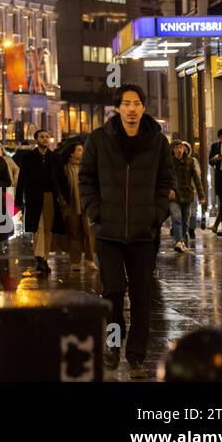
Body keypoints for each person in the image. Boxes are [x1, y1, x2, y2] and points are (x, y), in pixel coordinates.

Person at [79, 84, 173, 374]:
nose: (132, 109)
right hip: (108, 232)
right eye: (126, 103)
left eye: (137, 103)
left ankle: (136, 353)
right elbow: (86, 178)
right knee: (113, 292)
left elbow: (165, 182)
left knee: (142, 295)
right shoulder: (99, 139)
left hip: (144, 233)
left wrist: (157, 215)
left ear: (144, 107)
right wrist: (95, 211)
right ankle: (113, 343)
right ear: (118, 108)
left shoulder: (158, 142)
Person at [15, 129, 67, 276]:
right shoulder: (29, 157)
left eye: (47, 136)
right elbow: (22, 179)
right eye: (42, 137)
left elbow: (62, 179)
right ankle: (39, 258)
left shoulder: (55, 157)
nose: (45, 139)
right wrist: (19, 199)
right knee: (38, 227)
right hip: (33, 197)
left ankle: (44, 257)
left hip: (51, 196)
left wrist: (65, 196)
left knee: (49, 228)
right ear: (36, 139)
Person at [56, 140, 95, 265]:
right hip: (71, 206)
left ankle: (90, 259)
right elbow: (60, 186)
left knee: (89, 233)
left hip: (86, 205)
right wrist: (62, 199)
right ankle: (75, 261)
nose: (82, 152)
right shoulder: (65, 168)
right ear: (71, 153)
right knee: (74, 234)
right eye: (79, 150)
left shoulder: (87, 166)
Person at [169, 140, 205, 252]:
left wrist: (201, 195)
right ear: (172, 150)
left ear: (184, 149)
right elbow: (164, 178)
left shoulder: (190, 161)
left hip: (187, 195)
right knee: (176, 218)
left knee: (185, 220)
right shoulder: (168, 162)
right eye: (176, 148)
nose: (179, 150)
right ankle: (178, 241)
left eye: (181, 147)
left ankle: (182, 239)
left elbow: (196, 179)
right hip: (174, 195)